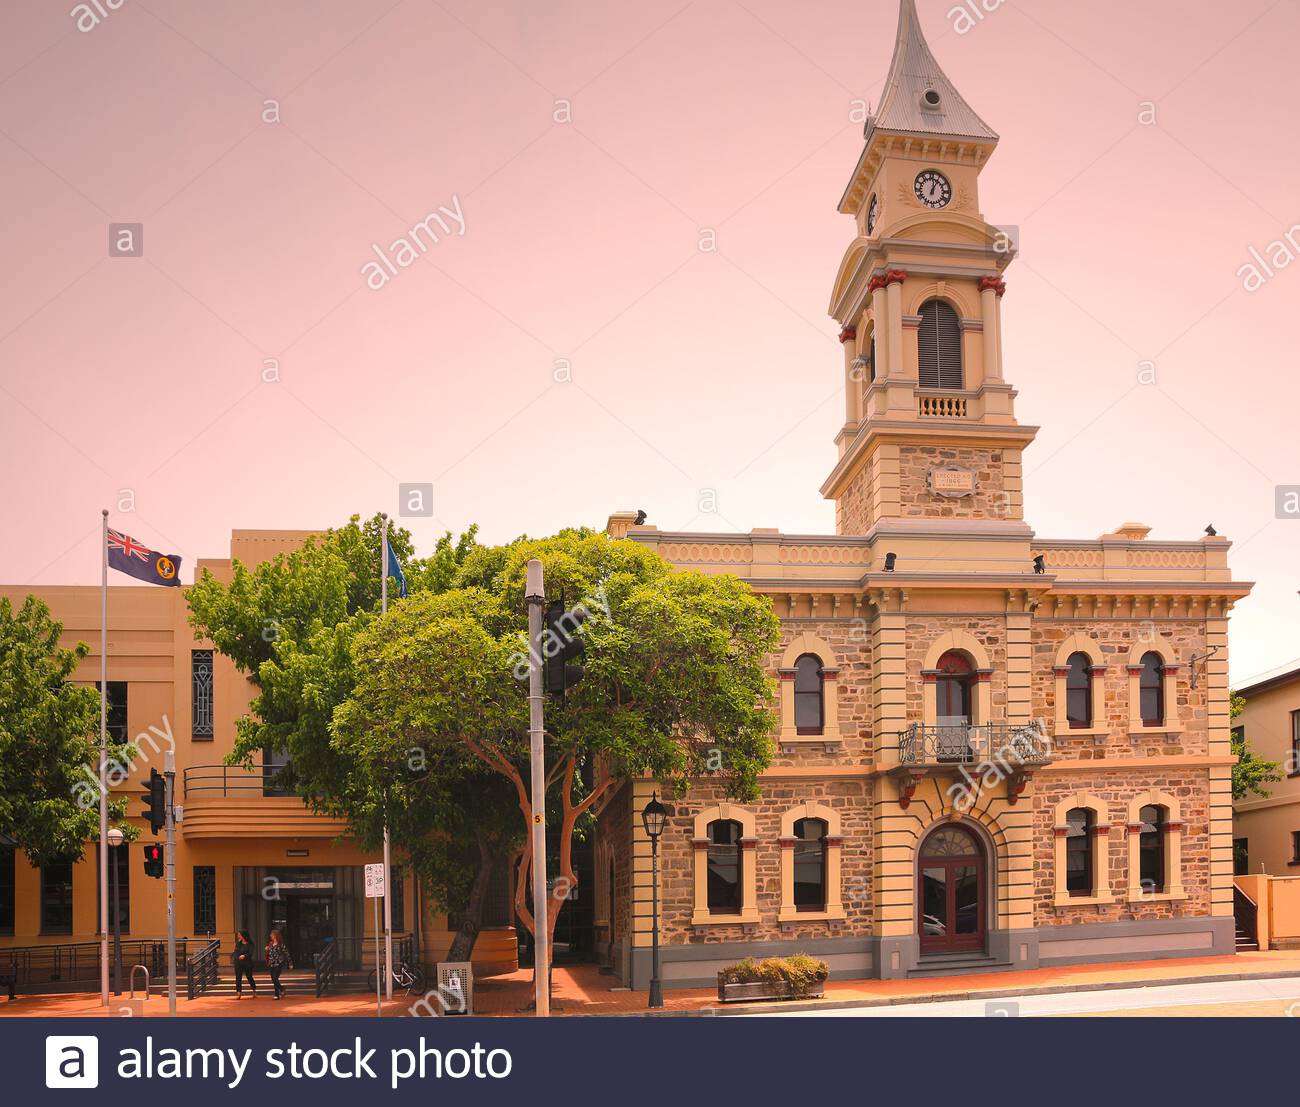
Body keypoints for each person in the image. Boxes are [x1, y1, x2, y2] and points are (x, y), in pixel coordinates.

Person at [265, 929, 293, 1000]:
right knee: (273, 979)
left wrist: (290, 963)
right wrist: (267, 949)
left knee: (275, 978)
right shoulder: (270, 944)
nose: (270, 936)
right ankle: (282, 988)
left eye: (272, 934)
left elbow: (287, 954)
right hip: (271, 963)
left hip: (279, 963)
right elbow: (269, 953)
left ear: (275, 936)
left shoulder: (281, 945)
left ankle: (276, 994)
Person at [233, 930, 257, 998]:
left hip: (247, 963)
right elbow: (236, 952)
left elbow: (250, 953)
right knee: (238, 977)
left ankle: (254, 990)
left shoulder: (250, 944)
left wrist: (244, 956)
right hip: (238, 963)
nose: (238, 936)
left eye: (239, 935)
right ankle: (238, 993)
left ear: (243, 935)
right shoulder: (238, 944)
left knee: (249, 977)